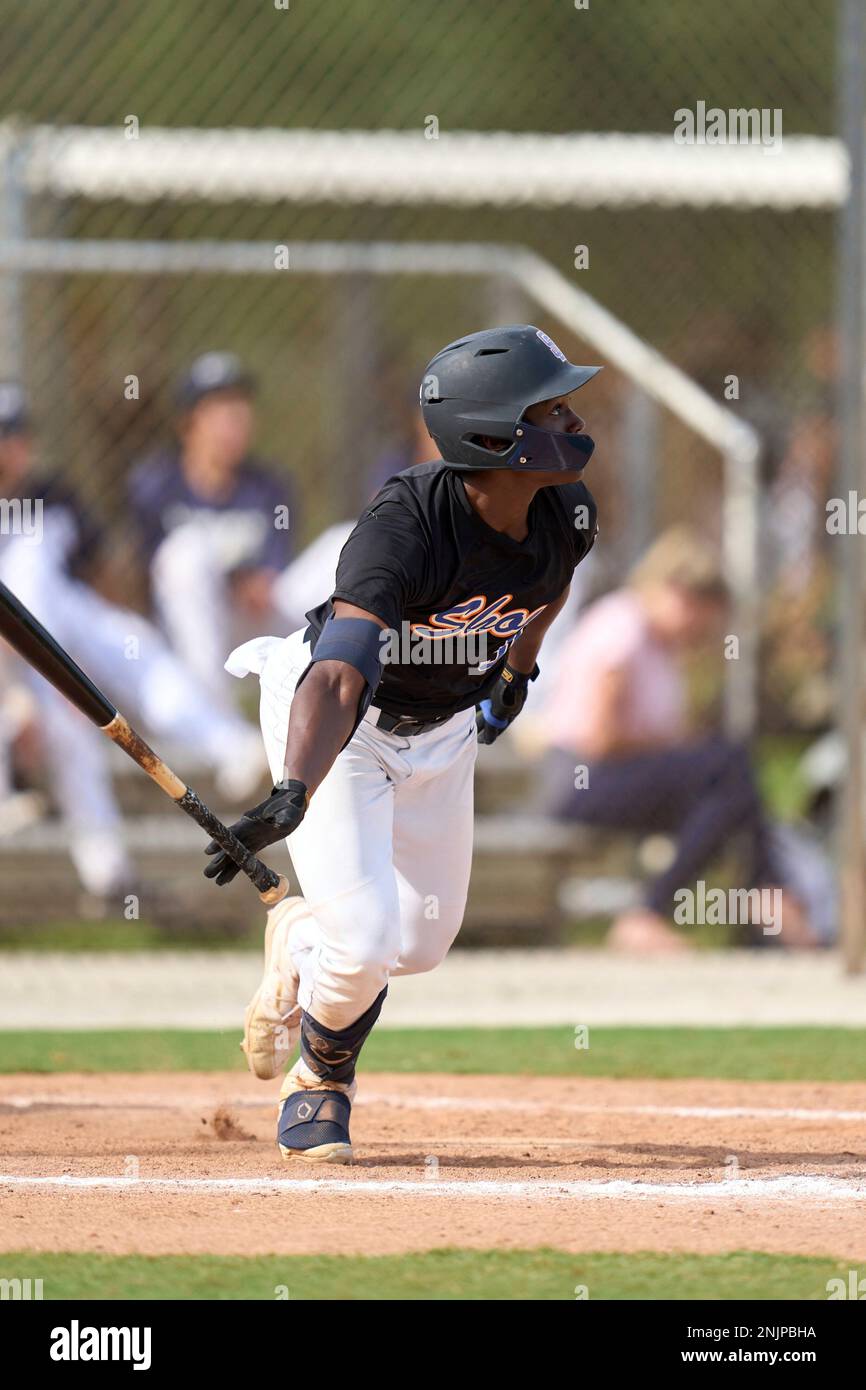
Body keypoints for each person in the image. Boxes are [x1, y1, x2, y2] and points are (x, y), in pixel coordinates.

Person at [203, 324, 601, 1163]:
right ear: (496, 437)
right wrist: (293, 792)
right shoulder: (406, 523)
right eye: (552, 409)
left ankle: (299, 940)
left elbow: (544, 595)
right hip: (340, 724)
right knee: (368, 941)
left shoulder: (566, 514)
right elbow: (342, 669)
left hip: (444, 729)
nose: (572, 422)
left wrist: (514, 677)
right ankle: (321, 1083)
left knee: (417, 943)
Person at [0, 384, 267, 910]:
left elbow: (96, 577)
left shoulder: (53, 495)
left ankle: (228, 744)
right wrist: (17, 696)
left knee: (129, 649)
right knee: (65, 719)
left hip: (62, 642)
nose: (9, 447)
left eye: (15, 435)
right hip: (14, 671)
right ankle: (108, 877)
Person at [537, 528, 812, 952]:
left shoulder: (658, 647)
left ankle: (749, 902)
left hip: (611, 776)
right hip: (579, 779)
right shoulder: (621, 630)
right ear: (676, 591)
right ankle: (759, 897)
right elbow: (599, 737)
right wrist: (673, 749)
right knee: (729, 765)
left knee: (728, 792)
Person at [128, 351, 296, 703]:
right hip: (178, 630)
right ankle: (211, 716)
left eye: (239, 407)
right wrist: (235, 579)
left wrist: (260, 581)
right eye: (219, 408)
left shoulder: (269, 488)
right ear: (188, 422)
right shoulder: (154, 485)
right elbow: (148, 574)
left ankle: (351, 714)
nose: (234, 419)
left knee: (339, 547)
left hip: (253, 623)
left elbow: (273, 578)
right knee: (185, 553)